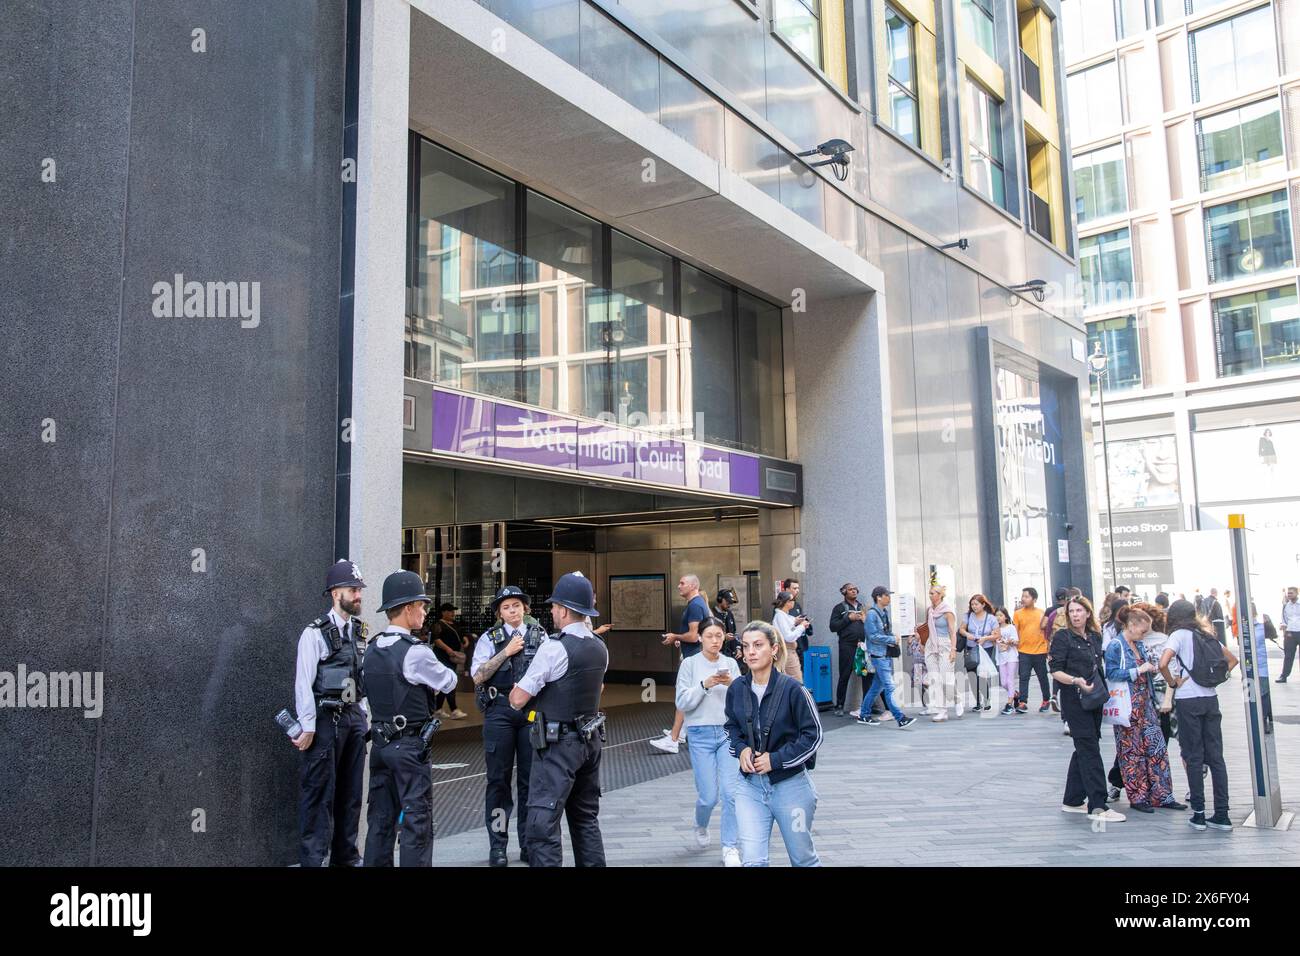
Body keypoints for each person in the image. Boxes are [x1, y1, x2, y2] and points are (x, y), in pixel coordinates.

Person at [509, 571, 610, 866]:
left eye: (554, 606)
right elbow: (598, 689)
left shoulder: (554, 647)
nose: (551, 610)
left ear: (564, 610)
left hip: (557, 745)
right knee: (585, 820)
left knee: (542, 825)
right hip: (589, 741)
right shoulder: (599, 647)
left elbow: (518, 699)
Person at [362, 571, 459, 866]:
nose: (425, 611)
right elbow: (450, 682)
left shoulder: (372, 647)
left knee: (380, 820)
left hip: (380, 746)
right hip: (409, 748)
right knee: (417, 821)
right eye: (422, 605)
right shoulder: (415, 652)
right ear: (408, 609)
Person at [723, 621, 823, 866]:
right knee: (753, 862)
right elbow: (730, 727)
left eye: (758, 645)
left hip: (791, 786)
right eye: (746, 646)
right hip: (749, 788)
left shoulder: (794, 689)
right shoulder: (737, 688)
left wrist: (775, 759)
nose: (751, 652)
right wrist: (742, 749)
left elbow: (814, 735)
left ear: (774, 649)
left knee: (803, 860)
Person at [292, 559, 369, 867]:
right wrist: (307, 726)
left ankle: (346, 858)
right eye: (354, 590)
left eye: (359, 589)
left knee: (351, 795)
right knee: (319, 795)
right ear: (337, 593)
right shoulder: (314, 633)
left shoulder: (359, 632)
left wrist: (364, 716)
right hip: (325, 722)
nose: (359, 595)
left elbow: (359, 677)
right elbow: (303, 682)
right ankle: (314, 860)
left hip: (352, 719)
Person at [470, 586, 548, 867]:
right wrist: (505, 652)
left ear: (525, 608)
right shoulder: (490, 639)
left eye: (516, 605)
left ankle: (528, 845)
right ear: (499, 613)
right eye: (506, 607)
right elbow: (478, 677)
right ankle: (498, 847)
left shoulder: (540, 636)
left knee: (530, 781)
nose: (512, 611)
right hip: (499, 712)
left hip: (530, 713)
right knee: (498, 782)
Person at [1159, 599, 1238, 831]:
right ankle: (1222, 815)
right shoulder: (1206, 634)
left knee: (1193, 756)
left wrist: (1173, 682)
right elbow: (1232, 660)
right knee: (1216, 757)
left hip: (1188, 701)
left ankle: (1199, 814)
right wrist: (1211, 681)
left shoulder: (1178, 635)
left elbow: (1163, 663)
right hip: (1210, 699)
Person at [1050, 595, 1125, 824]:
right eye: (1071, 611)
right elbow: (1055, 670)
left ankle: (1072, 800)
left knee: (1085, 745)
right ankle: (1098, 805)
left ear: (1088, 613)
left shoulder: (1094, 636)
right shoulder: (1062, 637)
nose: (1075, 615)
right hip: (1075, 699)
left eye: (1079, 610)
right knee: (1089, 748)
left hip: (1094, 699)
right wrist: (1075, 681)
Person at [1103, 604, 1185, 813]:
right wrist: (1137, 670)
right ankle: (1138, 797)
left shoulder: (1138, 645)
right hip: (1127, 705)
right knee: (1132, 753)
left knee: (1157, 748)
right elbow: (1111, 673)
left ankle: (1162, 795)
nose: (1144, 634)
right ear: (1131, 625)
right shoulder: (1116, 645)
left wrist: (1151, 670)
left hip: (1146, 703)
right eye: (1142, 630)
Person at [676, 616, 742, 866]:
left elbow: (742, 700)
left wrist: (732, 684)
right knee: (708, 796)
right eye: (710, 636)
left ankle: (730, 847)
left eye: (719, 635)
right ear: (700, 638)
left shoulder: (730, 664)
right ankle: (700, 824)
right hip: (700, 734)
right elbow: (682, 703)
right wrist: (706, 684)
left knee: (731, 793)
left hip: (727, 733)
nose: (715, 640)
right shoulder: (690, 664)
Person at [650, 574, 712, 754]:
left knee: (683, 696)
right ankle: (682, 732)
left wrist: (676, 636)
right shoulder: (698, 604)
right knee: (691, 696)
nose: (679, 586)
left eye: (682, 583)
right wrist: (681, 640)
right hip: (694, 654)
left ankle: (673, 739)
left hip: (692, 657)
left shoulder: (694, 606)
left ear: (693, 586)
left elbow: (693, 636)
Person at [855, 587, 917, 728]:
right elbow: (873, 636)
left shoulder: (883, 612)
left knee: (876, 687)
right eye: (886, 595)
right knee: (889, 686)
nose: (889, 598)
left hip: (885, 654)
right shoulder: (872, 614)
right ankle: (900, 718)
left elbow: (883, 632)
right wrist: (891, 640)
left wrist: (892, 637)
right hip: (878, 655)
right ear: (878, 597)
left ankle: (864, 715)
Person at [830, 583, 878, 717]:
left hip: (863, 645)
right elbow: (833, 627)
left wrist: (865, 620)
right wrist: (848, 618)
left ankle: (867, 705)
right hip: (847, 645)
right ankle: (839, 705)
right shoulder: (839, 608)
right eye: (850, 589)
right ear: (844, 592)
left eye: (855, 589)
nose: (854, 591)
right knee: (845, 675)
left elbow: (872, 625)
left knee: (866, 674)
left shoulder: (863, 607)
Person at [924, 586, 961, 721]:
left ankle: (957, 699)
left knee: (946, 679)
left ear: (940, 595)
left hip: (945, 644)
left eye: (932, 593)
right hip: (931, 645)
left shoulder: (948, 612)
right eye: (929, 593)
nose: (930, 595)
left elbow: (952, 632)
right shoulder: (929, 610)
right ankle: (942, 711)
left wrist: (953, 649)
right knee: (935, 679)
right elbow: (927, 628)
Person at [958, 593, 998, 712]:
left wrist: (985, 638)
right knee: (972, 675)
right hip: (970, 648)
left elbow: (997, 634)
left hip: (986, 648)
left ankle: (986, 699)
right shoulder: (968, 616)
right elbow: (961, 629)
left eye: (976, 604)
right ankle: (977, 701)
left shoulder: (991, 618)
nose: (974, 606)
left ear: (983, 604)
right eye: (972, 604)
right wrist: (967, 635)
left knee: (982, 674)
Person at [1014, 587, 1049, 713]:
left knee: (1042, 677)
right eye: (1023, 596)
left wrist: (1047, 648)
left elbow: (1045, 631)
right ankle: (1023, 702)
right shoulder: (1018, 614)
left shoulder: (1041, 613)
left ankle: (1046, 700)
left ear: (1034, 599)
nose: (1023, 598)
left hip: (1040, 650)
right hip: (1023, 650)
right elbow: (1016, 632)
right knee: (1023, 677)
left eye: (1027, 596)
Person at [429, 602, 467, 719]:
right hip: (442, 657)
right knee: (449, 681)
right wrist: (447, 649)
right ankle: (454, 709)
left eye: (453, 611)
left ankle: (438, 709)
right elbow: (436, 639)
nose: (452, 613)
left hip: (452, 658)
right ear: (443, 612)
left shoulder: (455, 624)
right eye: (450, 611)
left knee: (444, 683)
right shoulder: (438, 624)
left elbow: (461, 635)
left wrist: (465, 639)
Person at [771, 590, 810, 683]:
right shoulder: (780, 616)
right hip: (787, 651)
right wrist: (801, 626)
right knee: (797, 681)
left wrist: (796, 622)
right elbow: (789, 636)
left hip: (788, 651)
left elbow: (790, 622)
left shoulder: (783, 615)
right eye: (792, 600)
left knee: (790, 681)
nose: (794, 602)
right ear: (786, 602)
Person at [993, 607, 1019, 715]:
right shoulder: (995, 629)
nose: (998, 618)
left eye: (1001, 615)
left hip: (1012, 656)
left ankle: (1009, 704)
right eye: (996, 615)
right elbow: (994, 643)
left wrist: (1009, 642)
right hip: (1000, 657)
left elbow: (1016, 641)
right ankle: (1016, 695)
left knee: (1010, 680)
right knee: (1003, 683)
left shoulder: (1011, 627)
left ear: (1005, 616)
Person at [714, 588, 746, 674]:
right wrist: (724, 637)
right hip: (717, 653)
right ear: (720, 599)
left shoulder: (729, 613)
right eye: (727, 601)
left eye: (730, 602)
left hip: (730, 653)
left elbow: (734, 633)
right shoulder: (712, 615)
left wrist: (738, 648)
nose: (729, 604)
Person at [784, 577, 815, 665]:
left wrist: (805, 623)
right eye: (794, 588)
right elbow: (780, 627)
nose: (797, 590)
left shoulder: (797, 605)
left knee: (800, 673)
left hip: (800, 643)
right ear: (787, 589)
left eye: (798, 588)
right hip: (789, 646)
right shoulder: (781, 607)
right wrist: (795, 622)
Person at [1278, 586, 1299, 683]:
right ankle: (1284, 676)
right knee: (1288, 655)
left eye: (1291, 593)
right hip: (1290, 633)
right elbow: (1284, 619)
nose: (1289, 595)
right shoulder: (1286, 606)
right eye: (1288, 593)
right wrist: (1284, 629)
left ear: (1297, 593)